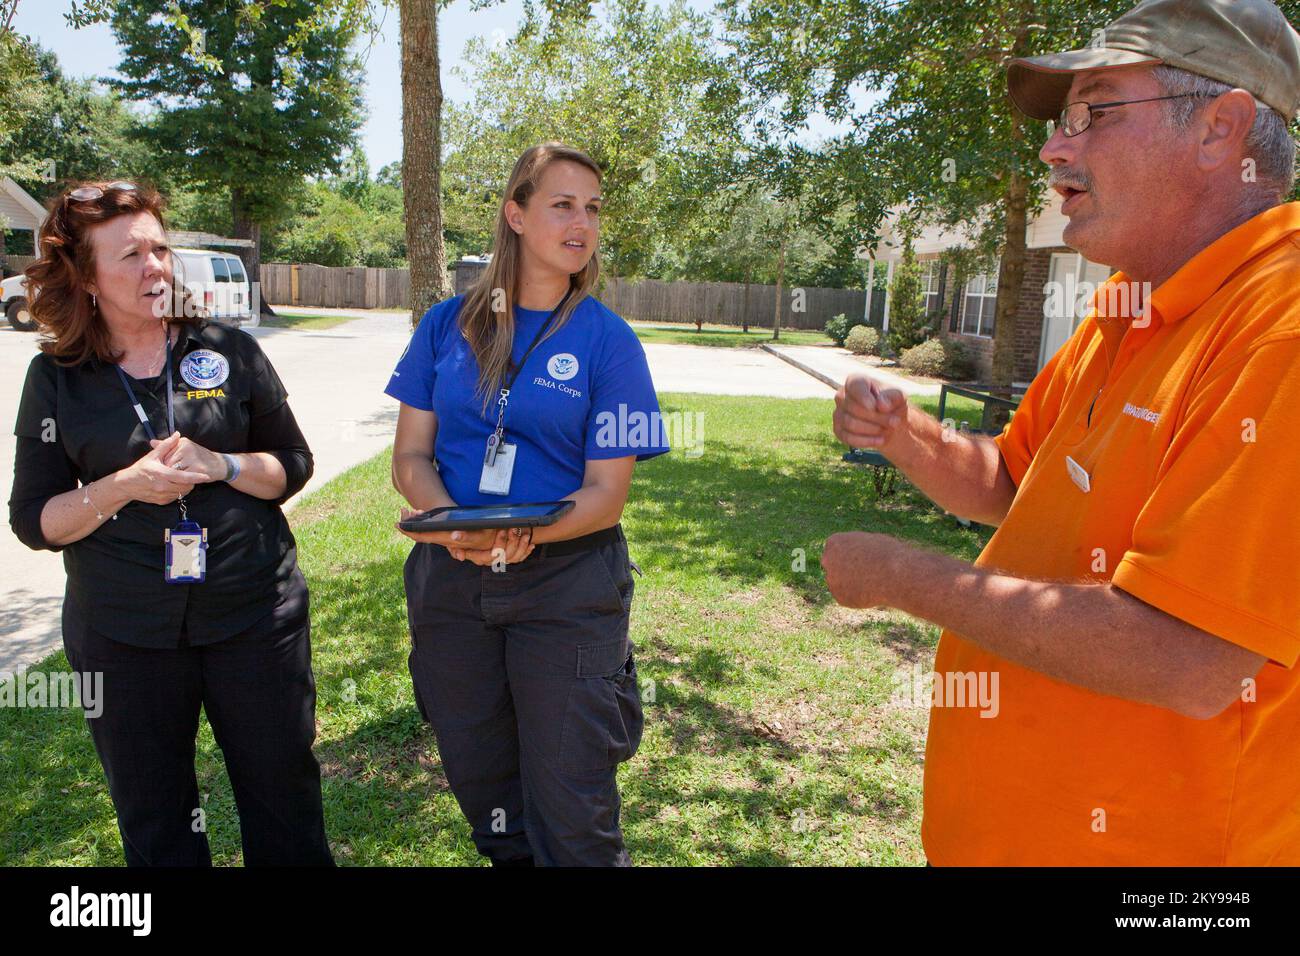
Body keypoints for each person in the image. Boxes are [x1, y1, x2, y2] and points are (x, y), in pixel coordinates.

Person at [822, 0, 1300, 865]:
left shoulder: (1280, 327)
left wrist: (903, 577)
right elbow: (1013, 482)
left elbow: (1191, 660)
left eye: (1095, 111)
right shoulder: (1128, 303)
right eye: (1063, 118)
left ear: (1221, 129)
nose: (1055, 146)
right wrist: (908, 438)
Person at [8, 181, 332, 866]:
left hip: (255, 616)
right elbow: (37, 521)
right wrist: (124, 486)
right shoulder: (56, 379)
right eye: (129, 256)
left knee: (285, 804)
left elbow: (293, 464)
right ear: (86, 277)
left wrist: (222, 465)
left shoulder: (229, 351)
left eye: (160, 250)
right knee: (158, 824)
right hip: (124, 636)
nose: (154, 268)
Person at [387, 143, 669, 866]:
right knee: (492, 804)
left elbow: (606, 495)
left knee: (574, 814)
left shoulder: (610, 342)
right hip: (452, 584)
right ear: (515, 214)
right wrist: (454, 531)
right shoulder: (445, 326)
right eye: (563, 204)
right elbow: (410, 457)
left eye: (594, 208)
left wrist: (524, 540)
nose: (584, 222)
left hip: (567, 585)